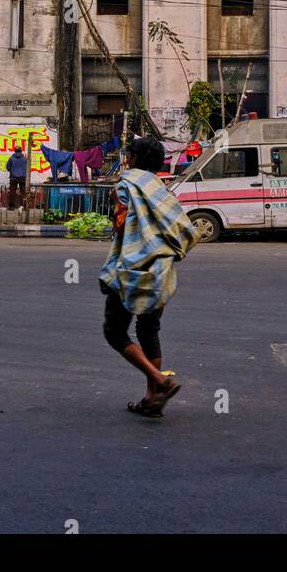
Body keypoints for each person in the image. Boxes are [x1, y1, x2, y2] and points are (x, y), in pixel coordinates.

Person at [99, 134, 199, 418]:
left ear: (134, 159)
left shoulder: (126, 186)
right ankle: (153, 398)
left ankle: (159, 380)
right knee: (148, 330)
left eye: (129, 154)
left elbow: (122, 226)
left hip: (132, 268)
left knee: (114, 331)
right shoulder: (162, 189)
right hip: (161, 268)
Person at [6, 142, 28, 209]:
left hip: (13, 178)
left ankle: (12, 206)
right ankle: (23, 206)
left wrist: (12, 171)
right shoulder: (24, 159)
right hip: (23, 178)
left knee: (12, 192)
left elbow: (8, 167)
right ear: (21, 151)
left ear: (14, 151)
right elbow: (27, 167)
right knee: (23, 192)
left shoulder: (11, 158)